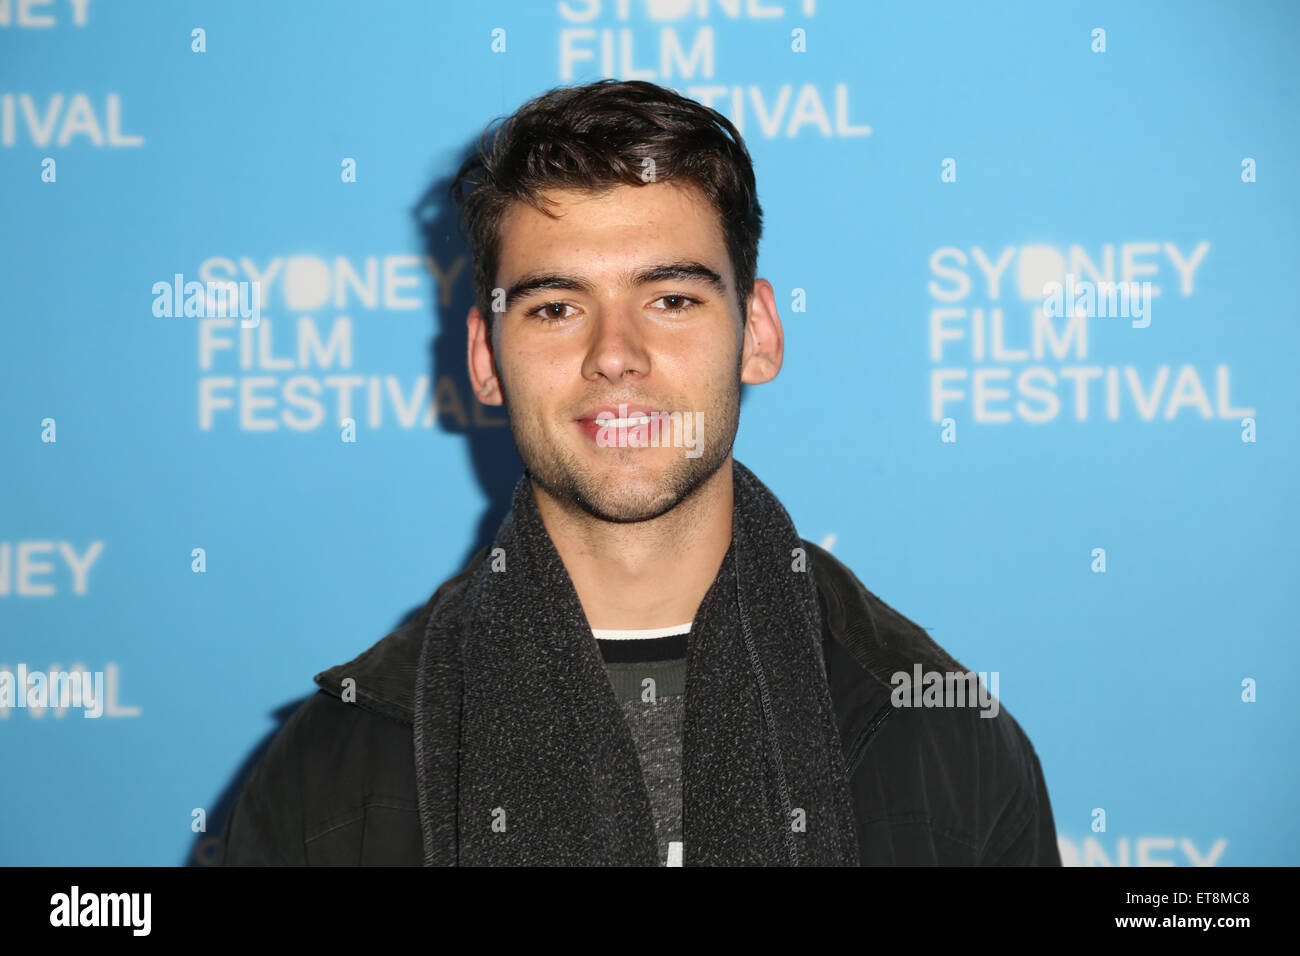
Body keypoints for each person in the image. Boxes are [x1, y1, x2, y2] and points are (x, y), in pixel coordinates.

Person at [219, 78, 1060, 866]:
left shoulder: (939, 737)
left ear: (758, 333)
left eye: (671, 299)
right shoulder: (338, 770)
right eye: (556, 308)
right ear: (484, 358)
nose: (614, 356)